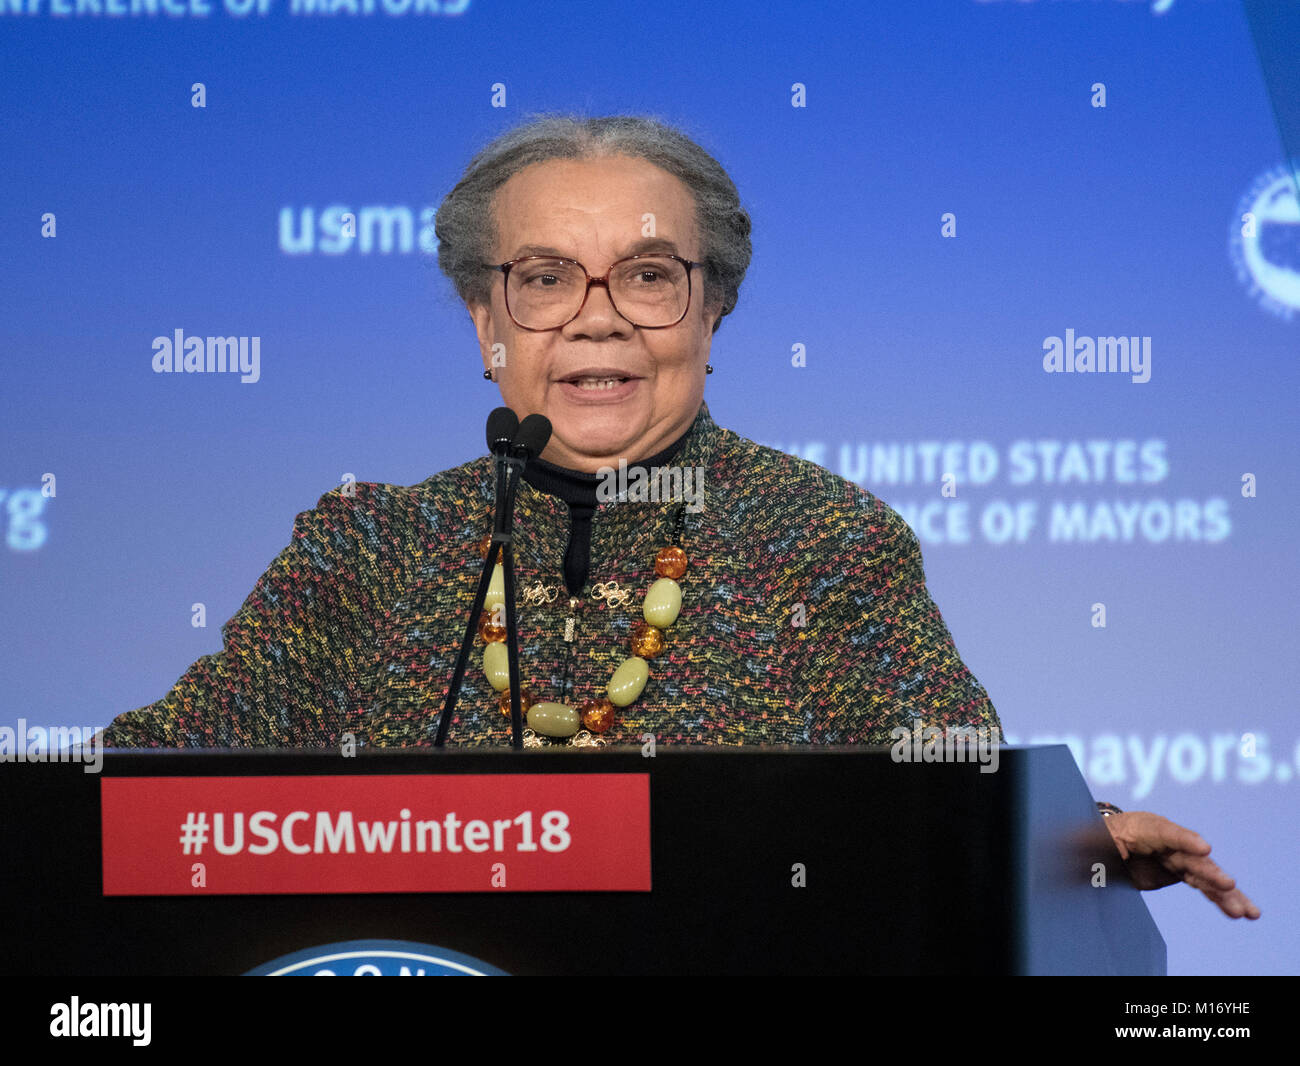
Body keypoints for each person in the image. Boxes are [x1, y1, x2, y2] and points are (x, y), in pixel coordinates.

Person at [98, 113, 1258, 921]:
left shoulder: (819, 537)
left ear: (712, 311)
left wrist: (1076, 837)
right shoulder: (368, 546)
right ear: (483, 321)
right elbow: (143, 783)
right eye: (543, 277)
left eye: (648, 277)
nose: (597, 321)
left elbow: (942, 784)